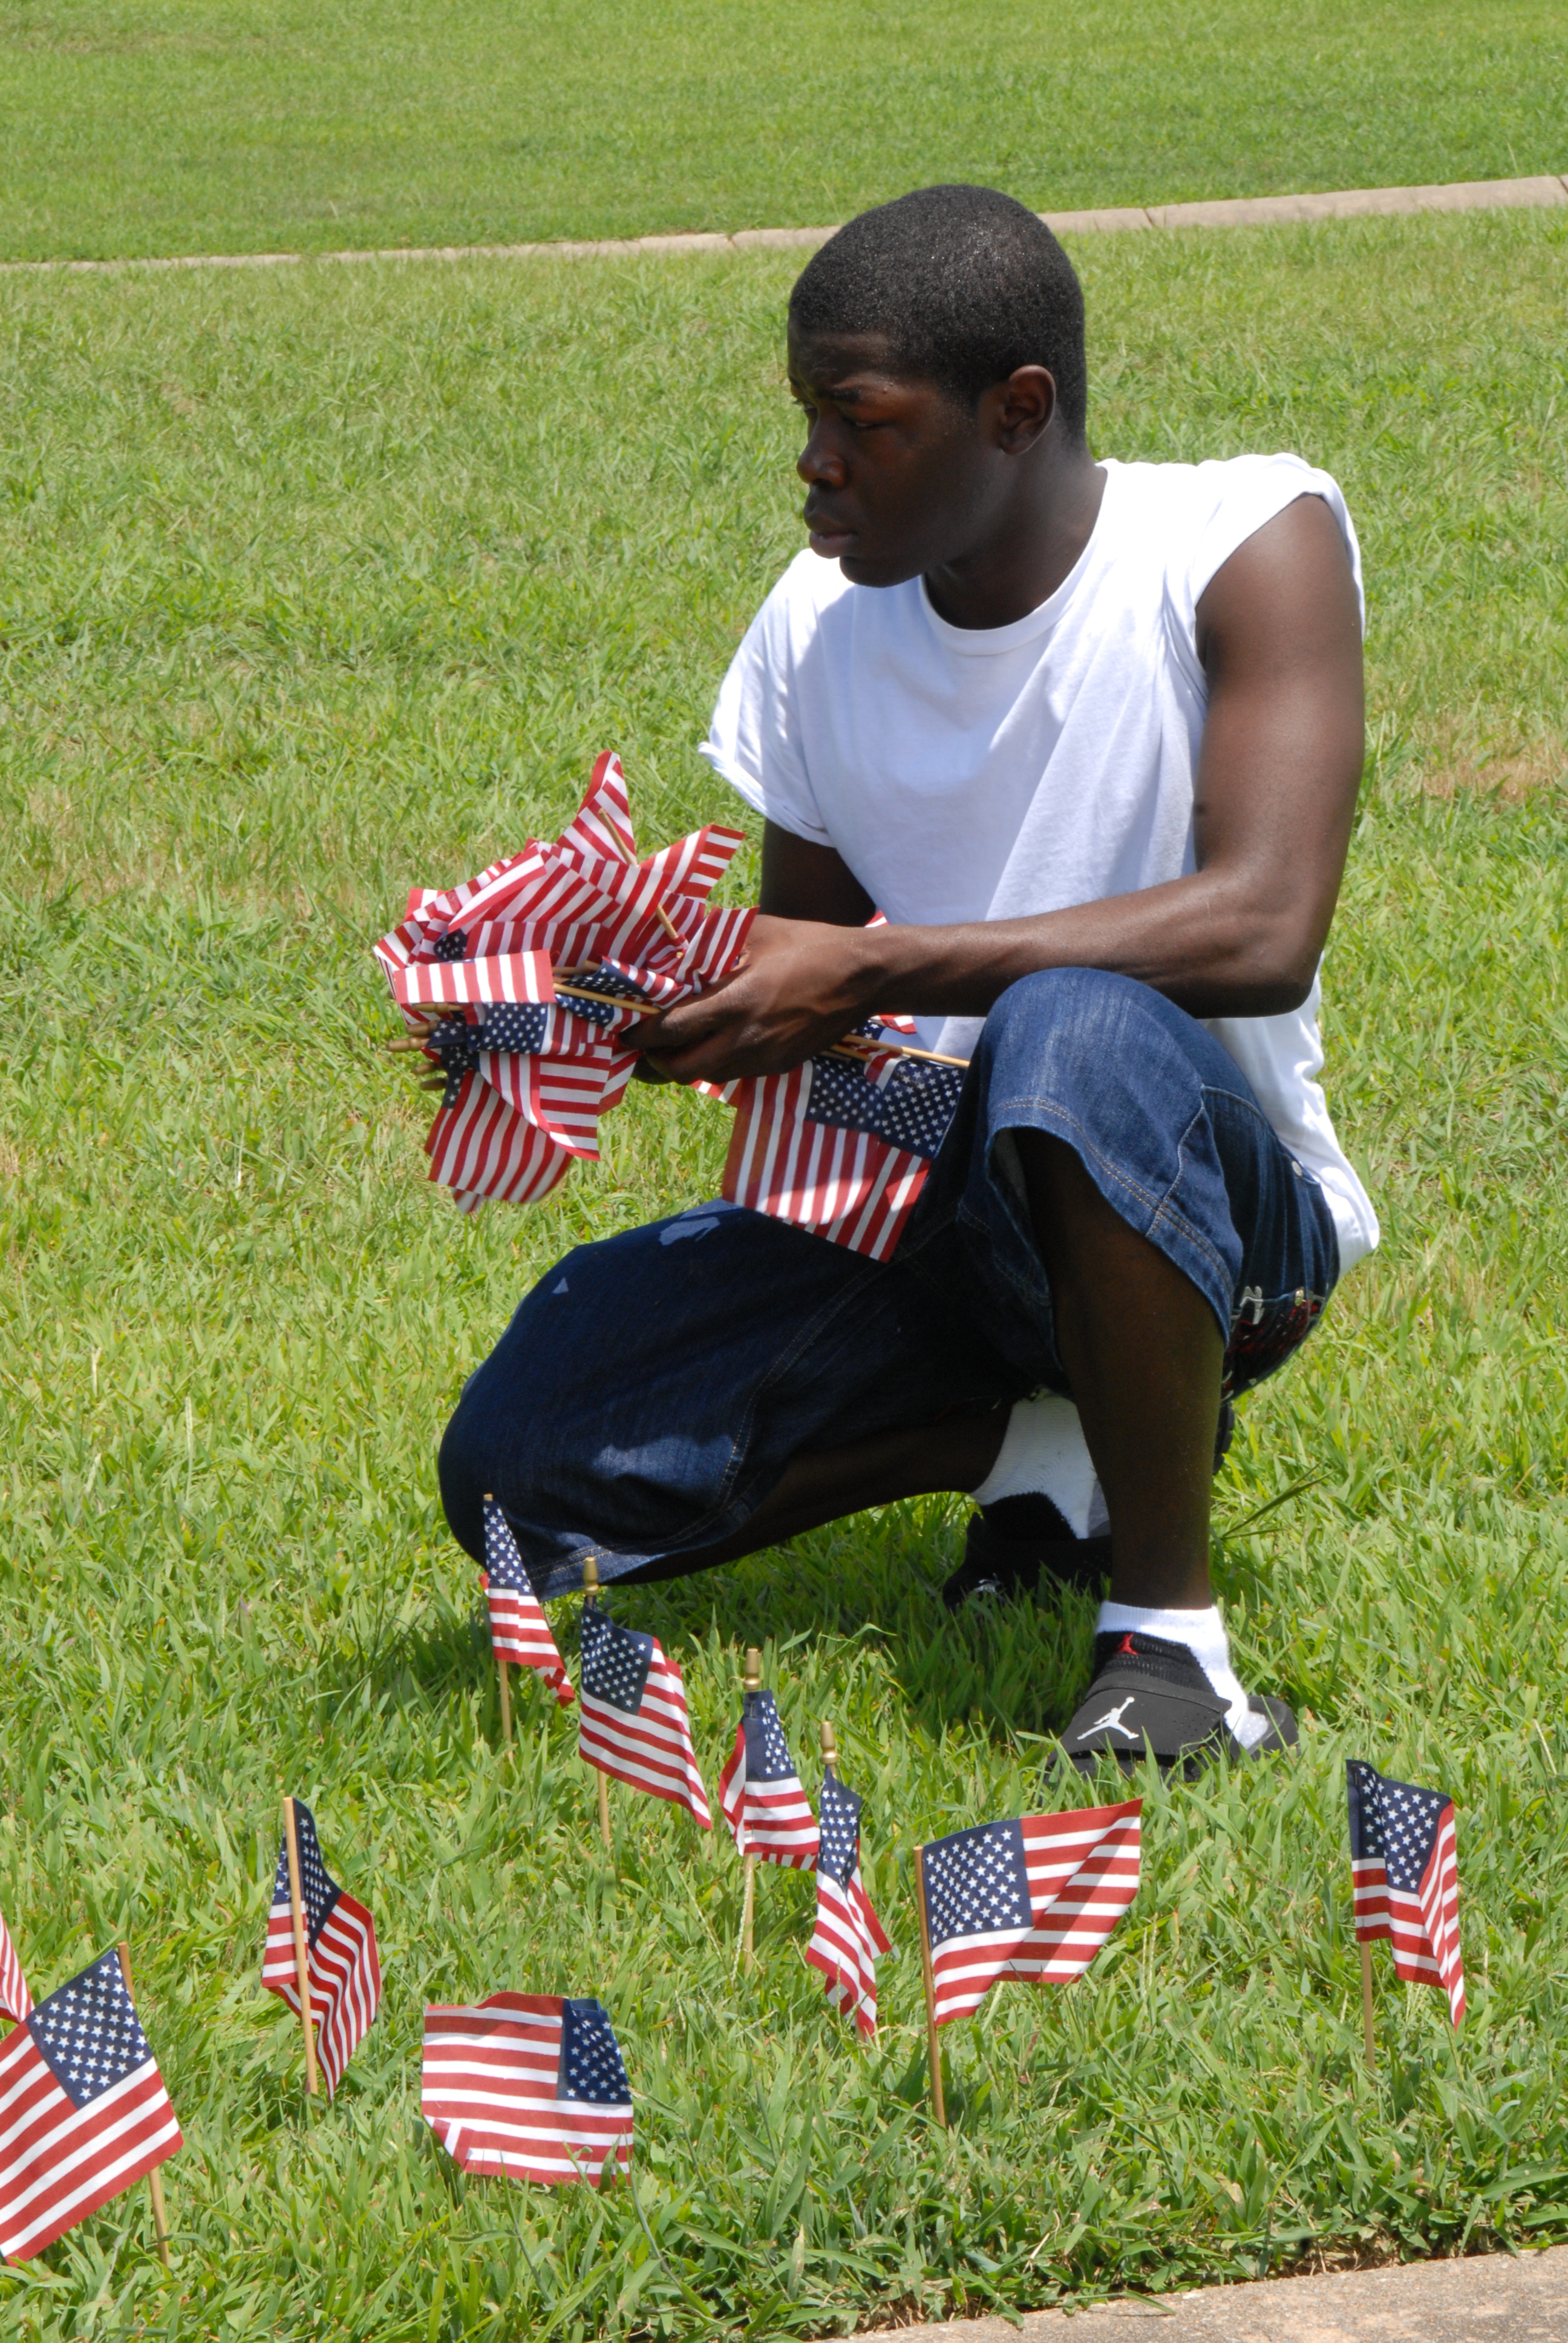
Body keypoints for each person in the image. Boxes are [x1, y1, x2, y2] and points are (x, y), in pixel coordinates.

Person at [439, 183, 1378, 1775]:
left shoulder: (1240, 542)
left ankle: (1173, 1654)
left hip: (1212, 1219)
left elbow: (1263, 924)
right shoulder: (818, 632)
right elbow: (830, 1014)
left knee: (1069, 1035)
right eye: (806, 415)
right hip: (933, 1209)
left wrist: (881, 961)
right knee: (517, 1482)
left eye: (855, 419)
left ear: (1016, 414)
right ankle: (1042, 1446)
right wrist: (601, 1000)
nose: (813, 462)